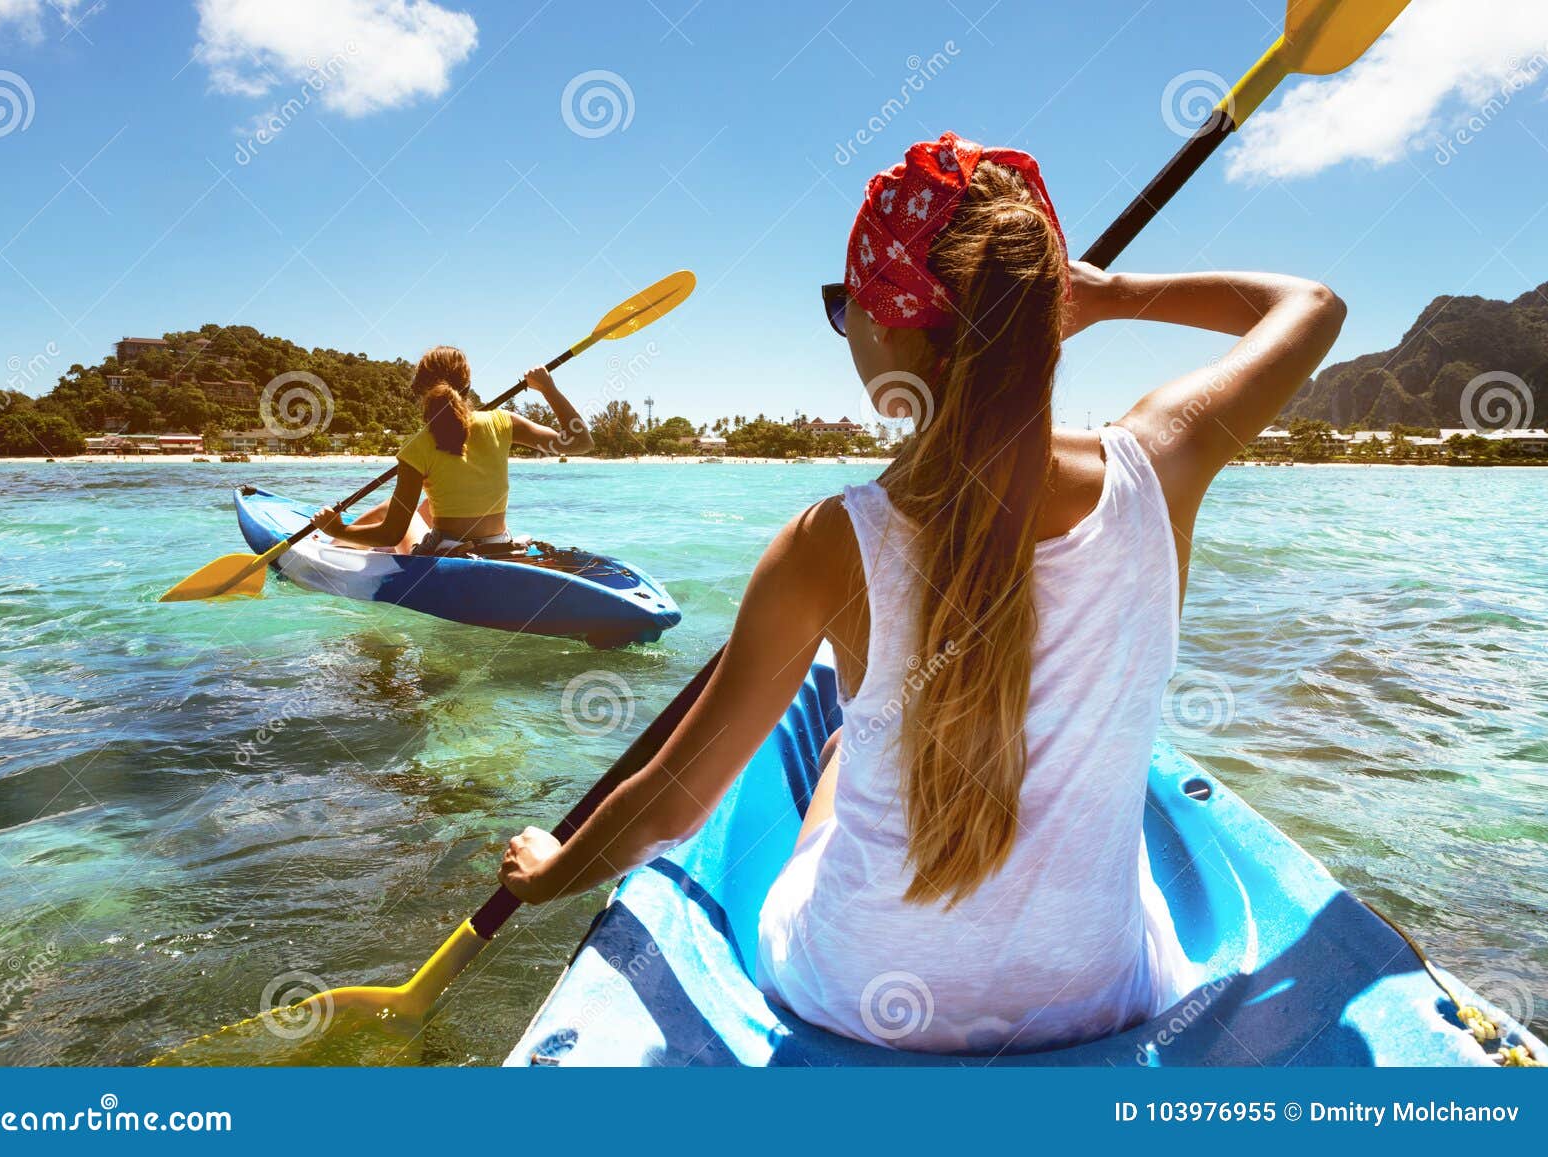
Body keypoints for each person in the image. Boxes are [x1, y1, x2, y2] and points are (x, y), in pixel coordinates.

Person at [497, 132, 1346, 1053]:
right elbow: (1311, 304)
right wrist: (1114, 297)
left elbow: (672, 802)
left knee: (841, 741)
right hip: (1097, 999)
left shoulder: (829, 543)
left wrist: (549, 872)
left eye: (845, 306)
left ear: (892, 329)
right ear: (1048, 314)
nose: (848, 329)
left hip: (854, 993)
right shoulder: (1164, 463)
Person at [315, 346, 592, 554]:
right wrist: (547, 389)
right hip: (499, 546)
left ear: (419, 390)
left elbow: (391, 533)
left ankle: (332, 545)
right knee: (423, 506)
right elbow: (581, 442)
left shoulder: (416, 447)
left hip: (446, 552)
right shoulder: (503, 422)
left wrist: (337, 526)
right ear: (468, 387)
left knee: (394, 510)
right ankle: (337, 543)